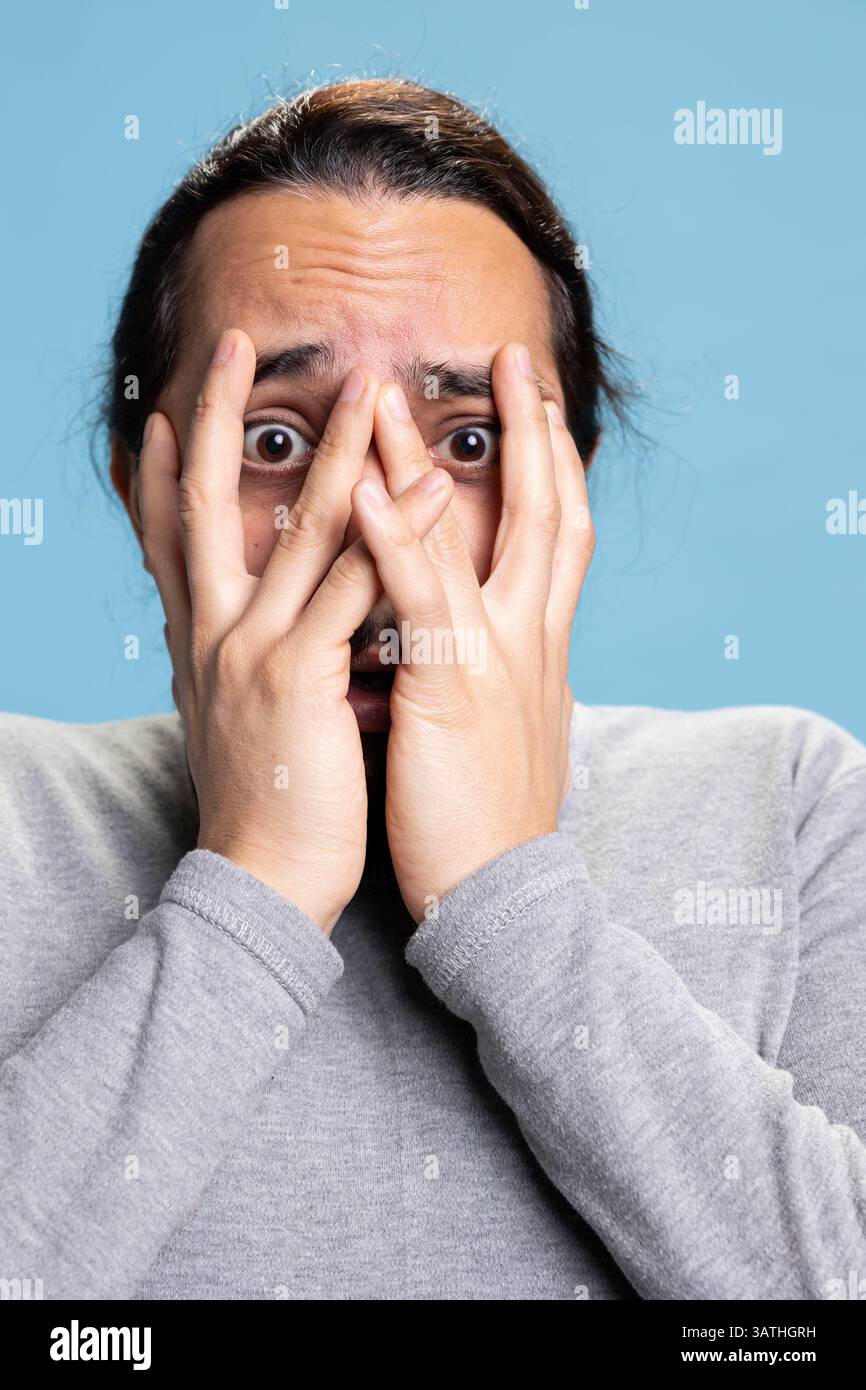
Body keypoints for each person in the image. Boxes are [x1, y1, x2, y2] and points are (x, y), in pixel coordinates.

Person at [2, 77, 865, 1302]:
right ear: (147, 496)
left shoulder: (788, 804)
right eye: (276, 439)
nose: (371, 524)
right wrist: (255, 883)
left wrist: (505, 896)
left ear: (571, 490)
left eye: (465, 439)